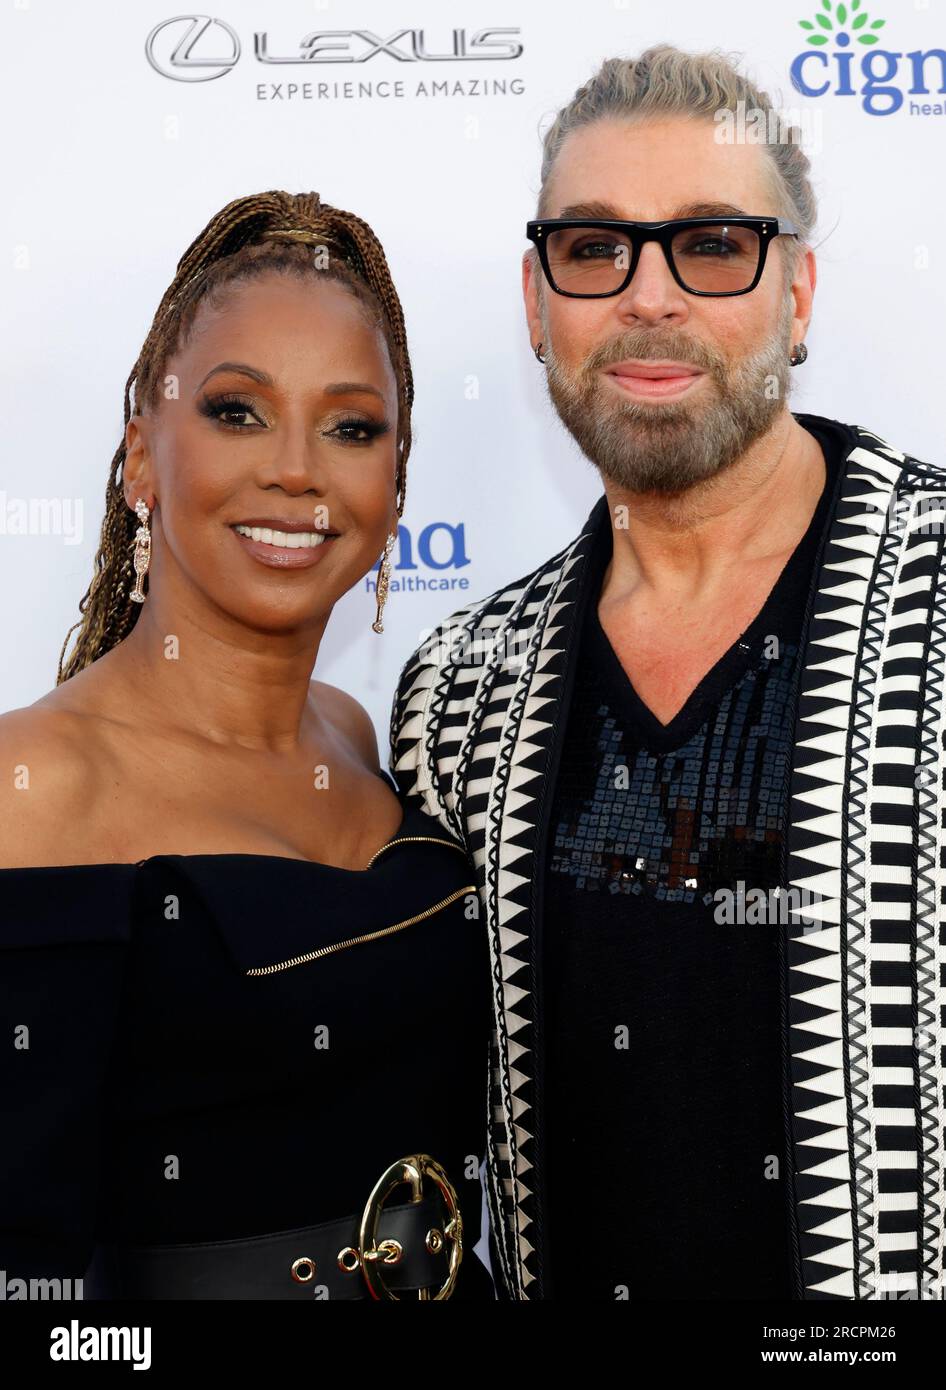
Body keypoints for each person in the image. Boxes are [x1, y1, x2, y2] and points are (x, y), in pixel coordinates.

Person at [390, 45, 946, 1301]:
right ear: (538, 305)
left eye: (709, 244)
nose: (647, 297)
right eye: (595, 249)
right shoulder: (457, 693)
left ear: (797, 295)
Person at [0, 190, 494, 1301]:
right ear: (140, 459)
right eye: (237, 412)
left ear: (395, 484)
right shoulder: (30, 791)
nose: (295, 470)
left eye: (351, 426)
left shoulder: (357, 734)